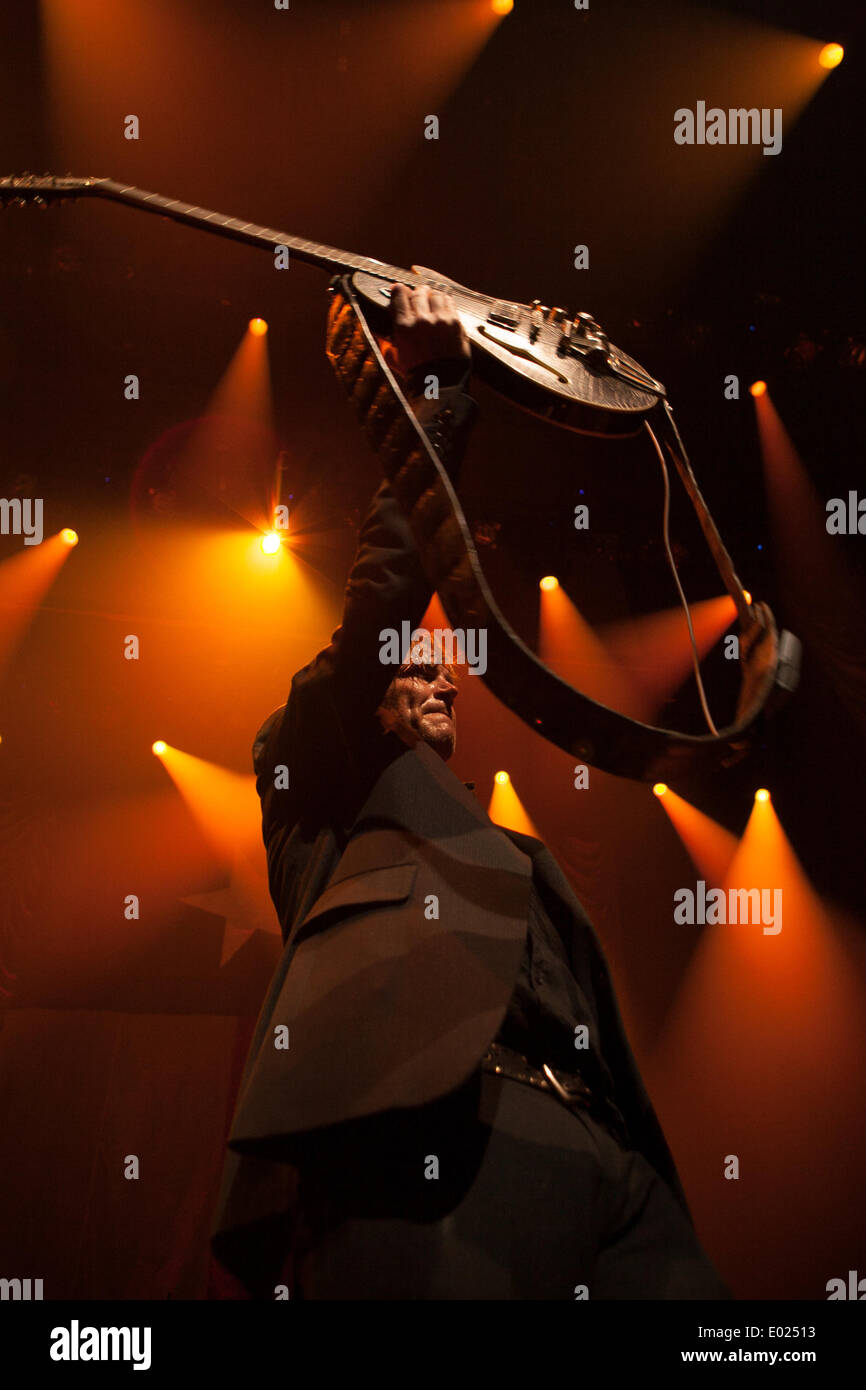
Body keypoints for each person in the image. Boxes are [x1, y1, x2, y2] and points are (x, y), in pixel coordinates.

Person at [209, 284, 730, 1300]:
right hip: (430, 1140)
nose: (444, 674)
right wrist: (439, 396)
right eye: (416, 662)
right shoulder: (315, 773)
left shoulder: (506, 852)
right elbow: (383, 596)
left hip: (603, 1156)